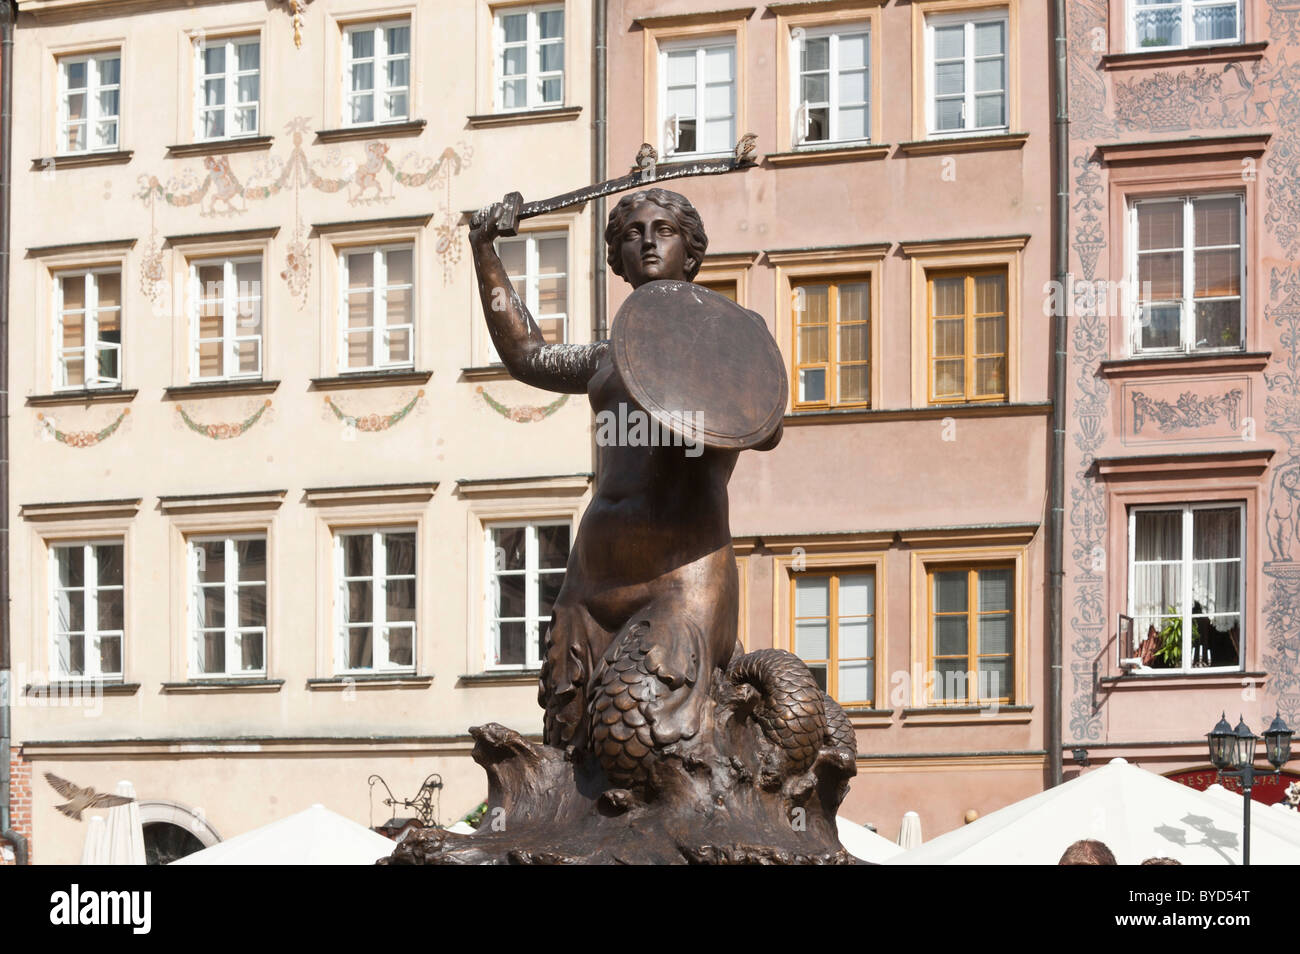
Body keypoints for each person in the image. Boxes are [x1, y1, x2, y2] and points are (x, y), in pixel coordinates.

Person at [468, 188, 781, 803]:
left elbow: (765, 425)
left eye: (663, 229)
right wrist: (485, 250)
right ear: (617, 258)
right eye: (632, 232)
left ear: (691, 253)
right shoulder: (607, 356)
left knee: (662, 747)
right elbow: (526, 354)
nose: (646, 239)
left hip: (682, 571)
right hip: (594, 574)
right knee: (567, 746)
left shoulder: (728, 335)